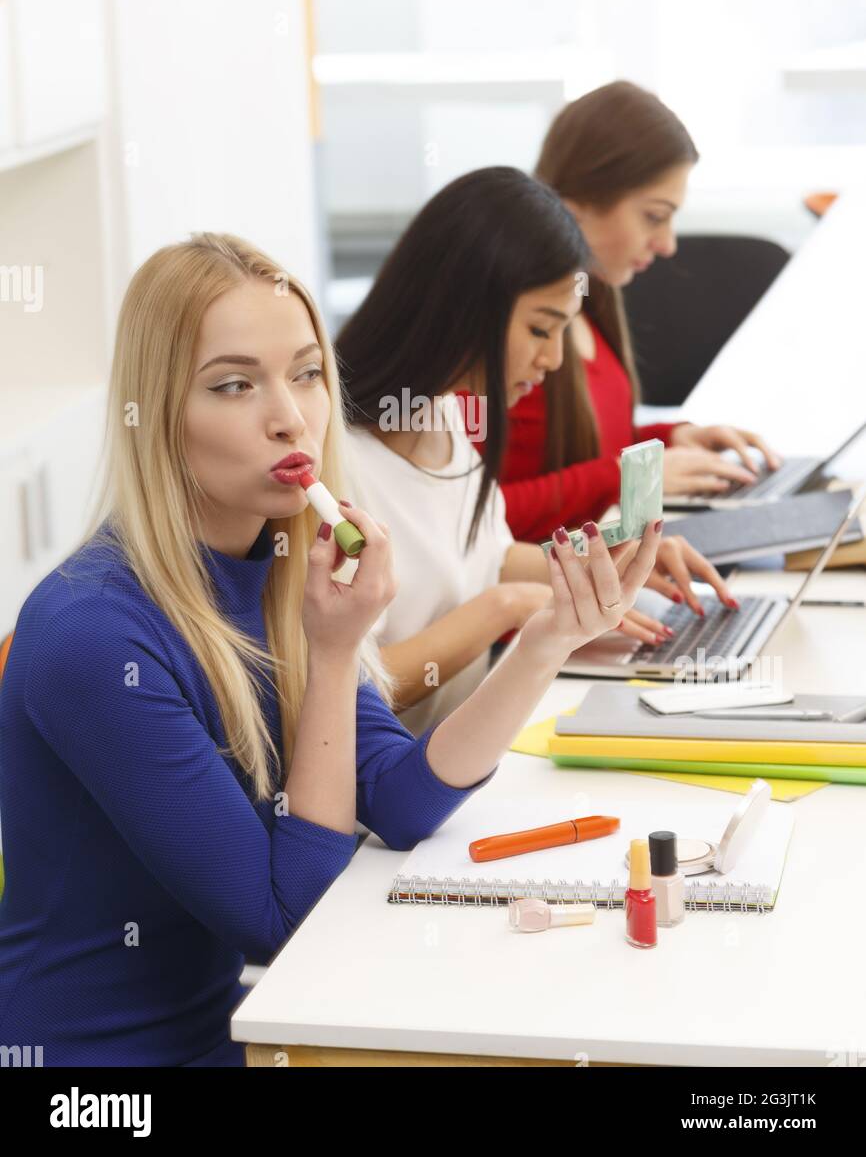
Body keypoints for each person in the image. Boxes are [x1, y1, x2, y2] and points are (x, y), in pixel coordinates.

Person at [0, 231, 659, 1067]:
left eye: (307, 372)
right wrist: (339, 651)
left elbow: (400, 797)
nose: (290, 415)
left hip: (238, 1030)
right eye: (234, 385)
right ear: (157, 414)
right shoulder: (94, 634)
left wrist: (549, 637)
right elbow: (286, 920)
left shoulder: (274, 572)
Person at [337, 167, 732, 735]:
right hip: (400, 790)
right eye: (541, 330)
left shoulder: (447, 413)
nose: (552, 361)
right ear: (464, 308)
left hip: (475, 750)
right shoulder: (342, 466)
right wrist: (508, 606)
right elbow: (351, 695)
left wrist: (610, 559)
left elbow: (491, 556)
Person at [497, 81, 782, 550]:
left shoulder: (590, 300)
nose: (668, 244)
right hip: (545, 596)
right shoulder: (518, 333)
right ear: (577, 207)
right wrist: (631, 478)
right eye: (654, 216)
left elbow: (585, 445)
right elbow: (474, 515)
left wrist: (671, 438)